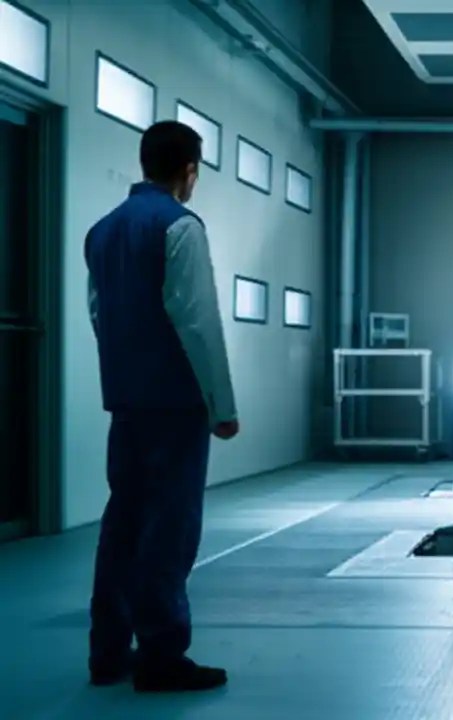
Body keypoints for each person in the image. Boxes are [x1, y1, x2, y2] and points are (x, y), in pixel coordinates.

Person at [85, 120, 239, 693]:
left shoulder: (102, 232)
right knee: (170, 526)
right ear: (189, 170)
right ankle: (161, 655)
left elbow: (98, 313)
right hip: (175, 402)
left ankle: (108, 651)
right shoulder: (180, 226)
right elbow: (198, 322)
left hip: (126, 398)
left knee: (123, 520)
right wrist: (221, 404)